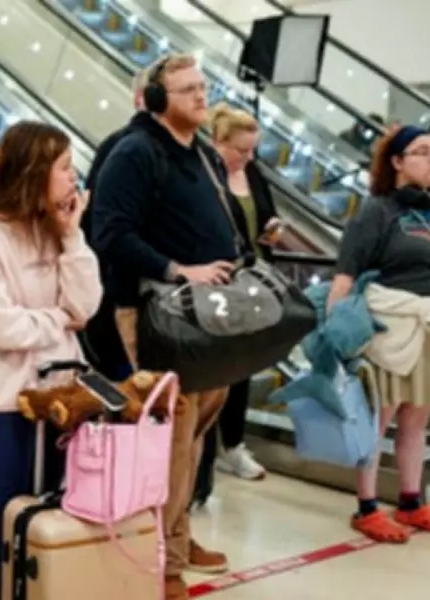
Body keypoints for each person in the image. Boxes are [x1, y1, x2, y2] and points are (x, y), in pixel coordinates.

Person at [92, 53, 240, 599]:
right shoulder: (133, 152)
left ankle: (176, 540)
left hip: (209, 315)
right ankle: (158, 562)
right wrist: (179, 270)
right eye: (187, 90)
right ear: (156, 101)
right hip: (156, 313)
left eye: (203, 87)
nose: (202, 97)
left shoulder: (202, 154)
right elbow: (110, 234)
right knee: (170, 437)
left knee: (193, 438)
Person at [0, 120, 102, 600]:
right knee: (6, 512)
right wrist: (58, 318)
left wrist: (73, 237)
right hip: (5, 397)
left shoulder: (54, 228)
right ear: (33, 171)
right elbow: (2, 327)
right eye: (63, 167)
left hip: (64, 394)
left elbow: (87, 306)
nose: (73, 176)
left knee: (56, 510)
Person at [327, 125, 430, 543]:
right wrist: (335, 338)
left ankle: (410, 502)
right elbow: (345, 274)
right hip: (388, 326)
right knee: (377, 419)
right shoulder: (377, 211)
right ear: (396, 161)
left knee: (417, 418)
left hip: (428, 326)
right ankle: (367, 506)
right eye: (422, 151)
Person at [194, 103, 282, 497]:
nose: (247, 157)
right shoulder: (206, 176)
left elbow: (266, 215)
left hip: (254, 280)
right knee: (217, 371)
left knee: (244, 367)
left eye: (251, 150)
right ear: (219, 142)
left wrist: (272, 229)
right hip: (221, 283)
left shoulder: (253, 175)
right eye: (240, 149)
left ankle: (232, 444)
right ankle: (208, 448)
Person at [80, 64, 153, 381]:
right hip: (128, 295)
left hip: (166, 295)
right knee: (137, 394)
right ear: (142, 99)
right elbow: (104, 227)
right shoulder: (124, 148)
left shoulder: (192, 152)